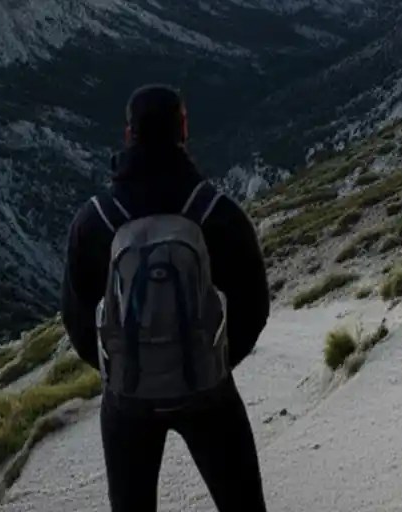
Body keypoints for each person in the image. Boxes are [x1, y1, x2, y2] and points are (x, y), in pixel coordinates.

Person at [60, 84, 271, 512]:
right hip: (207, 390)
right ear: (184, 130)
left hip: (128, 399)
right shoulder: (217, 212)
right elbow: (254, 307)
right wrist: (209, 360)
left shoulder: (94, 220)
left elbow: (75, 316)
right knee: (242, 504)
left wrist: (120, 365)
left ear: (128, 134)